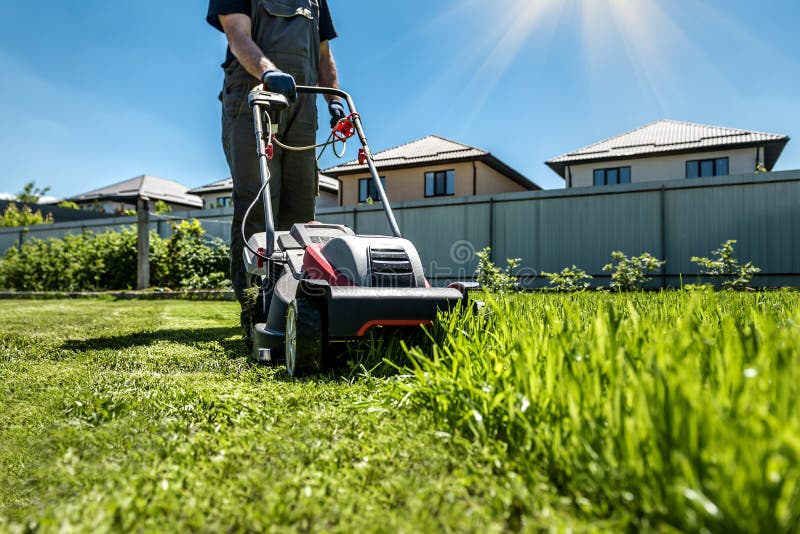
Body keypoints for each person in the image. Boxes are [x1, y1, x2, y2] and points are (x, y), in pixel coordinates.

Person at [206, 0, 344, 337]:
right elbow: (238, 37)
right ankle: (255, 309)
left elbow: (323, 54)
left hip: (304, 102)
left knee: (299, 209)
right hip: (253, 96)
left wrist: (335, 98)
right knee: (258, 203)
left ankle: (294, 303)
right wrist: (268, 71)